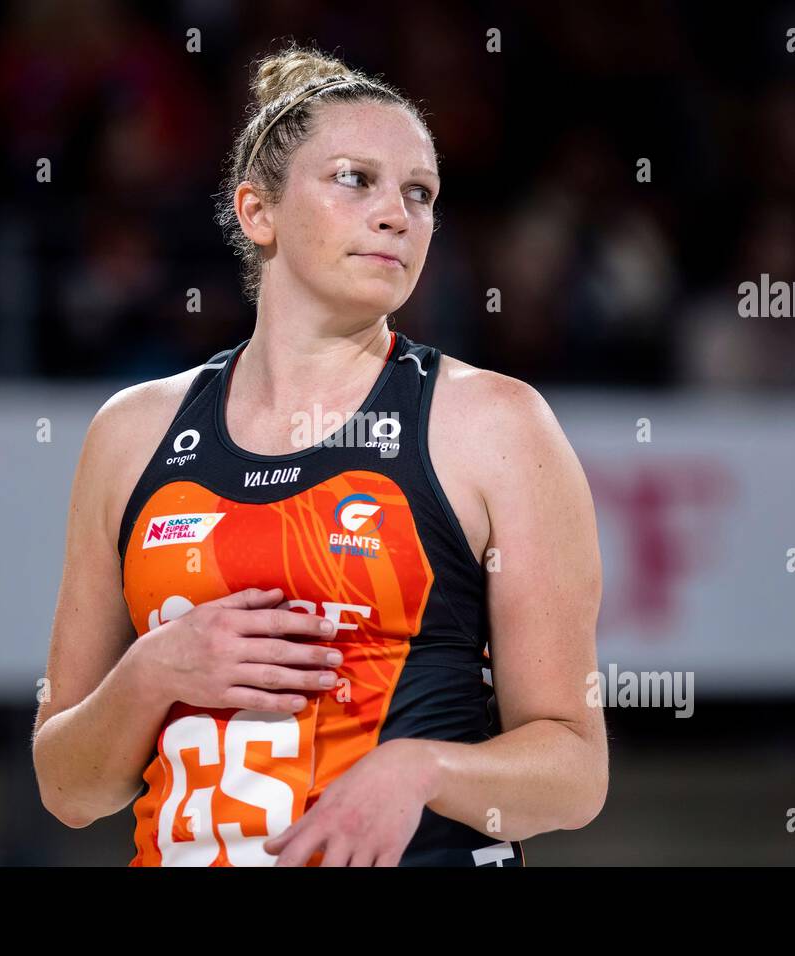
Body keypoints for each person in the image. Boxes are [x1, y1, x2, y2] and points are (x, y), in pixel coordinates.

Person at [32, 43, 607, 866]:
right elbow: (68, 788)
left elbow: (575, 772)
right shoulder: (131, 432)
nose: (396, 214)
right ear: (257, 213)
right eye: (354, 179)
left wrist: (421, 771)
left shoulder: (493, 423)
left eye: (420, 193)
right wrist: (151, 674)